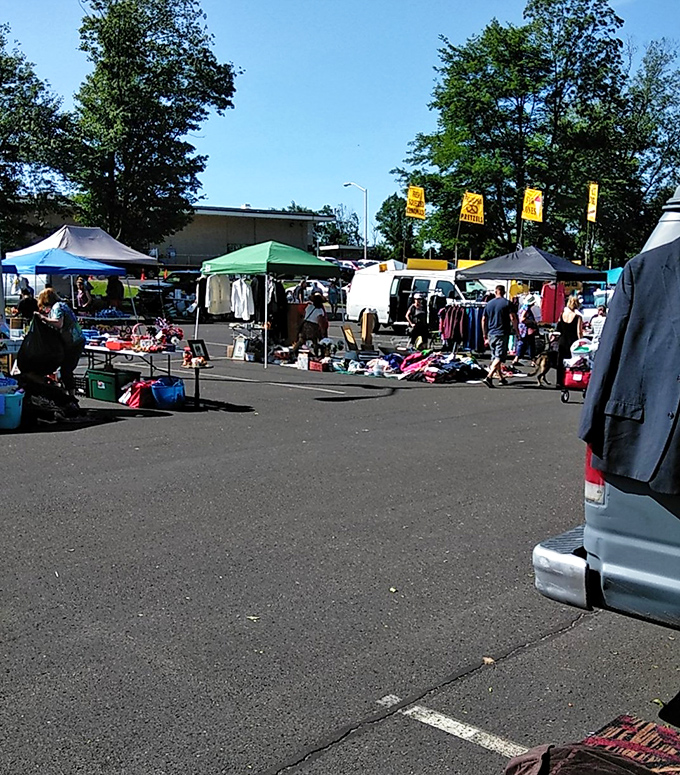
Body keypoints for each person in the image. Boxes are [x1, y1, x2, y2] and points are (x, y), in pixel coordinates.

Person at [34, 288, 85, 395]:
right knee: (65, 368)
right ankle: (67, 390)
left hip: (74, 342)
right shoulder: (61, 305)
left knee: (66, 369)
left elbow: (58, 323)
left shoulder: (57, 307)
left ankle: (71, 394)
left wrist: (43, 318)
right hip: (75, 340)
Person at [481, 285, 519, 387]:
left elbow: (483, 319)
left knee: (495, 356)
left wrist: (484, 335)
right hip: (502, 332)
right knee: (499, 357)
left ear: (496, 291)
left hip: (491, 333)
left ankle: (501, 378)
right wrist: (517, 331)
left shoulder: (489, 304)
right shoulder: (507, 303)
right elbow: (513, 318)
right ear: (504, 292)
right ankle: (488, 377)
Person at [555, 295, 583, 384]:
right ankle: (569, 380)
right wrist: (581, 341)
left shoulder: (562, 314)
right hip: (573, 341)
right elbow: (579, 332)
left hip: (562, 340)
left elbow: (558, 328)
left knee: (560, 362)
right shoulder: (578, 317)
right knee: (572, 362)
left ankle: (559, 381)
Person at [512, 294, 539, 365]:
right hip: (526, 329)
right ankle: (532, 360)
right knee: (530, 344)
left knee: (522, 343)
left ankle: (516, 359)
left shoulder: (522, 307)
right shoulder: (526, 308)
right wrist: (532, 322)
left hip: (522, 329)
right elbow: (522, 319)